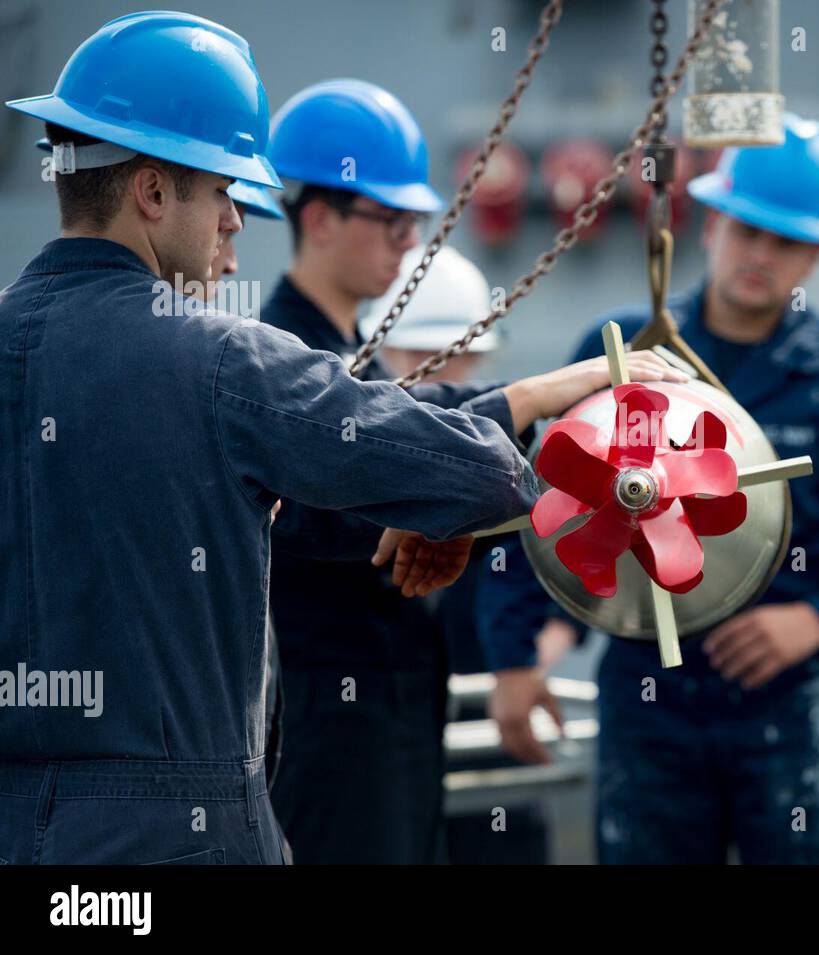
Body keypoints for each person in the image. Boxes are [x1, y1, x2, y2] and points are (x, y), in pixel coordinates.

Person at [0, 12, 536, 865]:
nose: (238, 224)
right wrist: (435, 505)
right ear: (150, 192)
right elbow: (484, 475)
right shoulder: (221, 360)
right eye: (222, 193)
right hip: (180, 833)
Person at [478, 114, 819, 864]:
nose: (761, 255)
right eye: (746, 229)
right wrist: (515, 657)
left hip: (794, 698)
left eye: (787, 241)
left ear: (817, 257)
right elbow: (537, 507)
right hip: (651, 694)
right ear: (710, 224)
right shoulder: (620, 358)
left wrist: (815, 622)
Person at [259, 80, 684, 863]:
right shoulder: (283, 356)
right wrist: (528, 401)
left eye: (415, 220)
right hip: (329, 723)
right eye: (391, 220)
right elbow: (352, 475)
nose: (409, 239)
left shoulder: (342, 352)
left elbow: (397, 431)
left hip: (392, 714)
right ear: (319, 217)